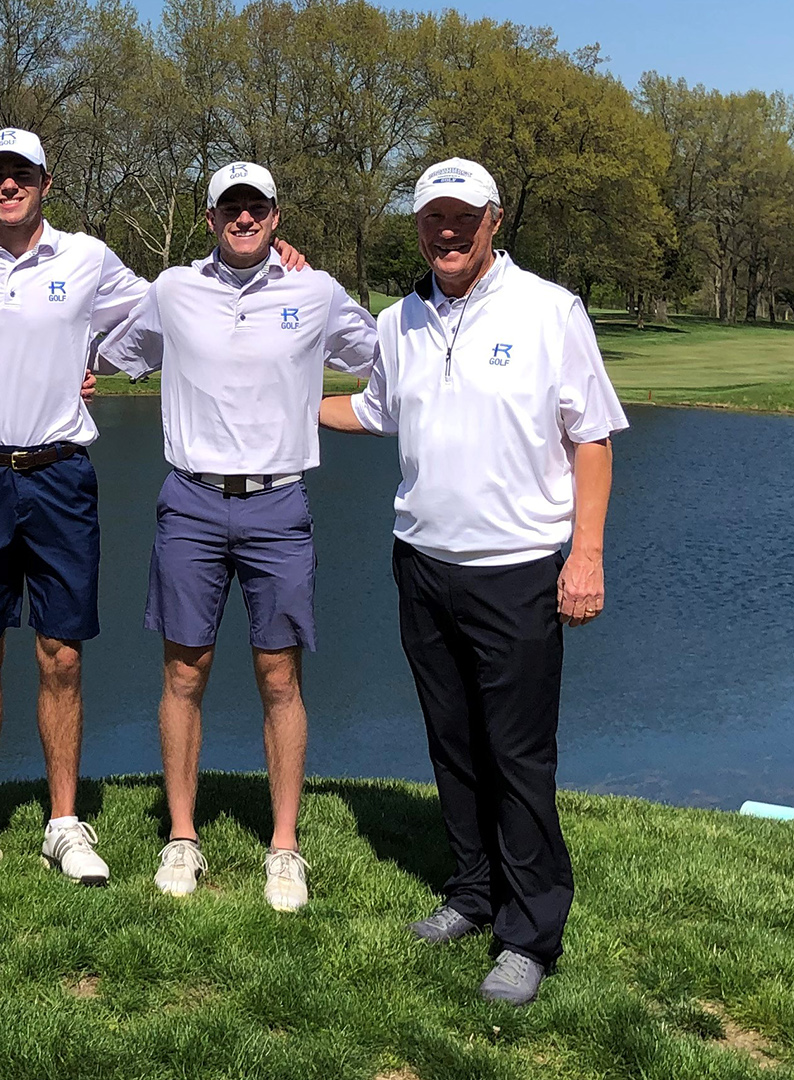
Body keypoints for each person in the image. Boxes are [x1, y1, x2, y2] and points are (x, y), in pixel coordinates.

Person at [0, 128, 307, 886]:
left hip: (60, 476)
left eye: (21, 173)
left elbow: (163, 309)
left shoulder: (86, 258)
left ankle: (63, 823)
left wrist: (275, 271)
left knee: (62, 654)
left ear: (46, 181)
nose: (8, 184)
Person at [319, 157, 624, 1005]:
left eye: (462, 217)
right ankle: (471, 892)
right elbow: (376, 411)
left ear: (493, 220)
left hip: (519, 569)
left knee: (518, 755)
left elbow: (591, 438)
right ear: (417, 226)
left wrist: (585, 554)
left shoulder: (548, 310)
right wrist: (279, 397)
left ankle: (529, 933)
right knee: (452, 744)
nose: (446, 232)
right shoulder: (399, 319)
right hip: (422, 562)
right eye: (431, 218)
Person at [99, 162, 376, 912]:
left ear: (276, 216)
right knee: (184, 674)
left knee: (279, 677)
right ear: (211, 216)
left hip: (278, 505)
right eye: (231, 207)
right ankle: (182, 838)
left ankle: (284, 847)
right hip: (190, 501)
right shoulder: (173, 290)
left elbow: (382, 359)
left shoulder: (312, 293)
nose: (244, 218)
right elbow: (114, 354)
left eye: (256, 207)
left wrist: (320, 412)